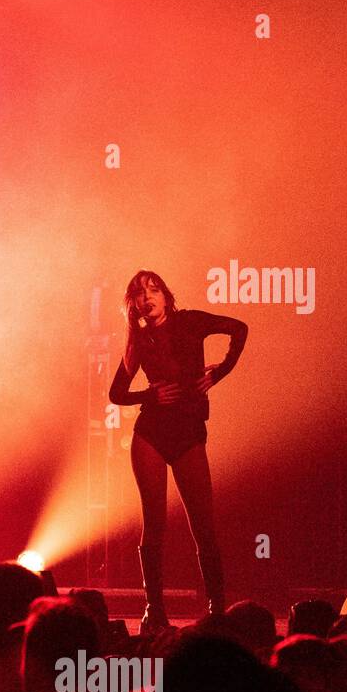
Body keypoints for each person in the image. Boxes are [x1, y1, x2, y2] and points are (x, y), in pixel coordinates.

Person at [108, 270, 247, 632]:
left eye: (153, 290)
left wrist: (220, 372)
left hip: (188, 433)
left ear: (167, 297)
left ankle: (217, 607)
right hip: (151, 434)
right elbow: (116, 393)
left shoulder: (191, 322)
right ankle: (154, 610)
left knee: (203, 523)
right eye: (139, 294)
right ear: (133, 305)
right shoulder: (137, 340)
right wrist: (149, 395)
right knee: (153, 523)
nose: (146, 298)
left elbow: (239, 328)